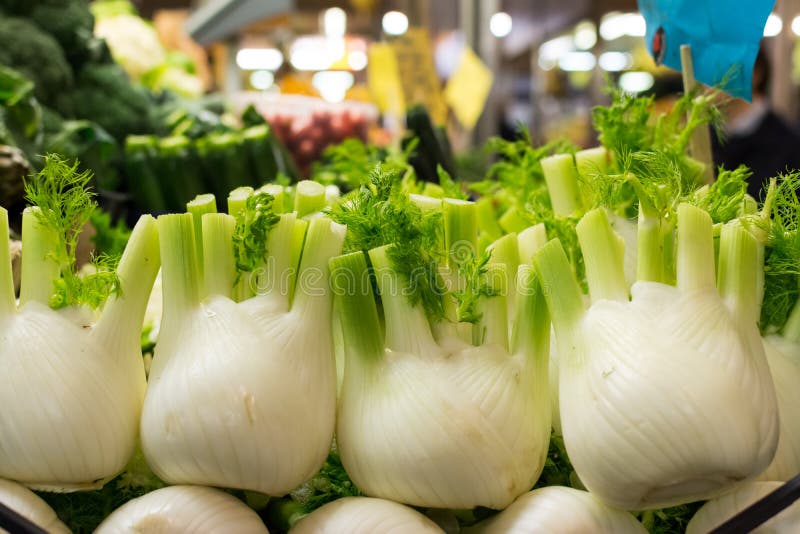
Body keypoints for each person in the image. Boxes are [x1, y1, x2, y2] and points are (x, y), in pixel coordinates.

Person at [711, 47, 800, 200]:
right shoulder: (702, 136)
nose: (709, 78)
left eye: (722, 66)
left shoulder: (787, 144)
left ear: (755, 73)